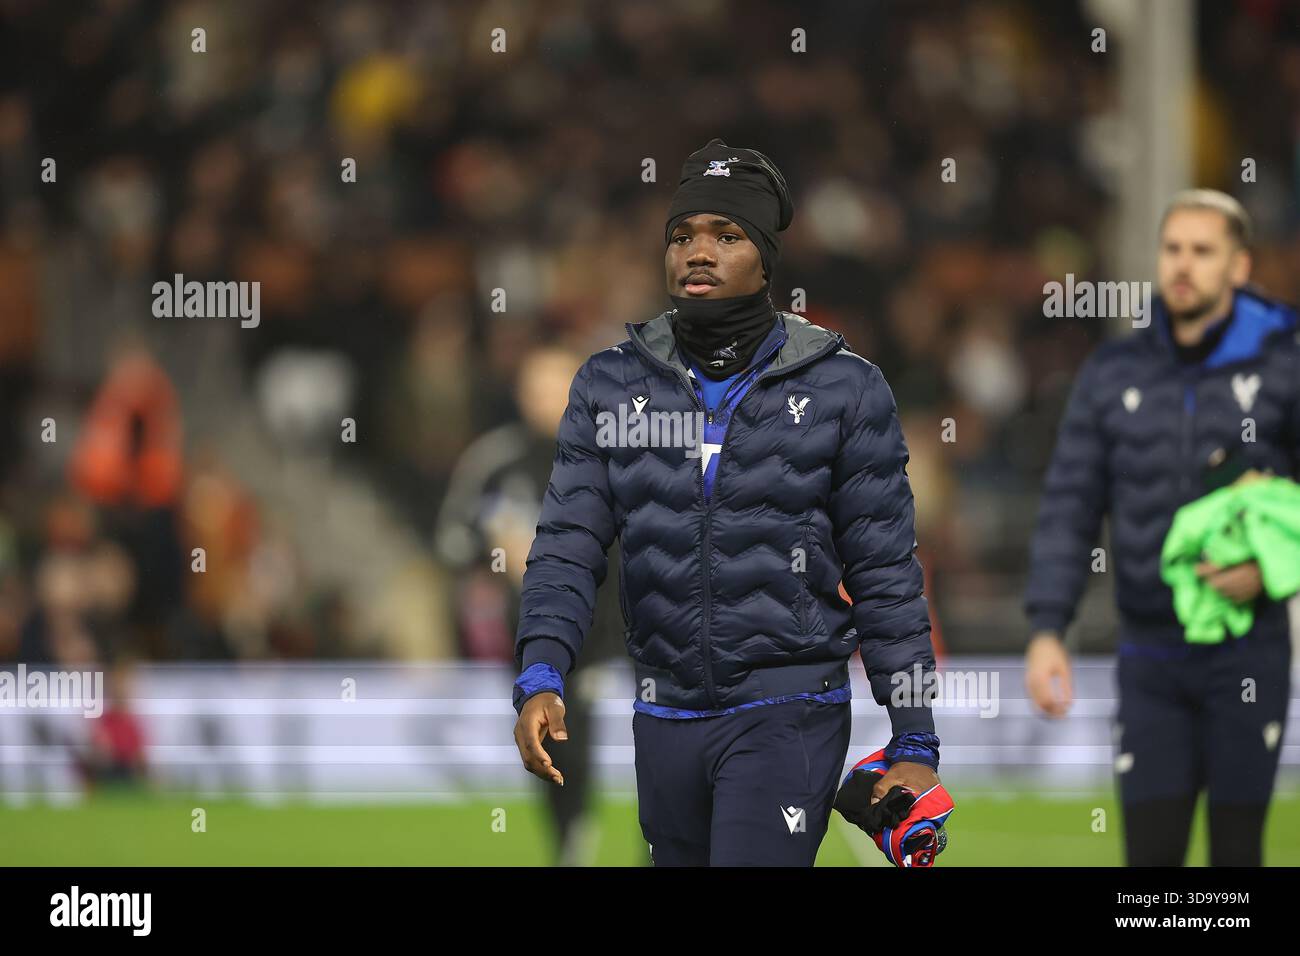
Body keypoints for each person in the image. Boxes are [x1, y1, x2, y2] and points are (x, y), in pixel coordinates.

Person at [510, 138, 940, 866]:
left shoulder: (846, 388)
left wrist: (915, 737)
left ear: (766, 257)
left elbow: (885, 571)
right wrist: (542, 671)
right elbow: (566, 545)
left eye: (726, 236)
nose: (697, 252)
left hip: (789, 711)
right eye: (682, 236)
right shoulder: (608, 385)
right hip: (662, 713)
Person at [1024, 189, 1300, 866]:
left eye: (1203, 251)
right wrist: (1046, 628)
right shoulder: (1112, 370)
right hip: (1148, 655)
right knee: (1151, 863)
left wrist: (1272, 567)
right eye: (1173, 248)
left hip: (1248, 649)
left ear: (1239, 266)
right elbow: (1070, 501)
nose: (1183, 265)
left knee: (1237, 858)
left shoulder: (1285, 363)